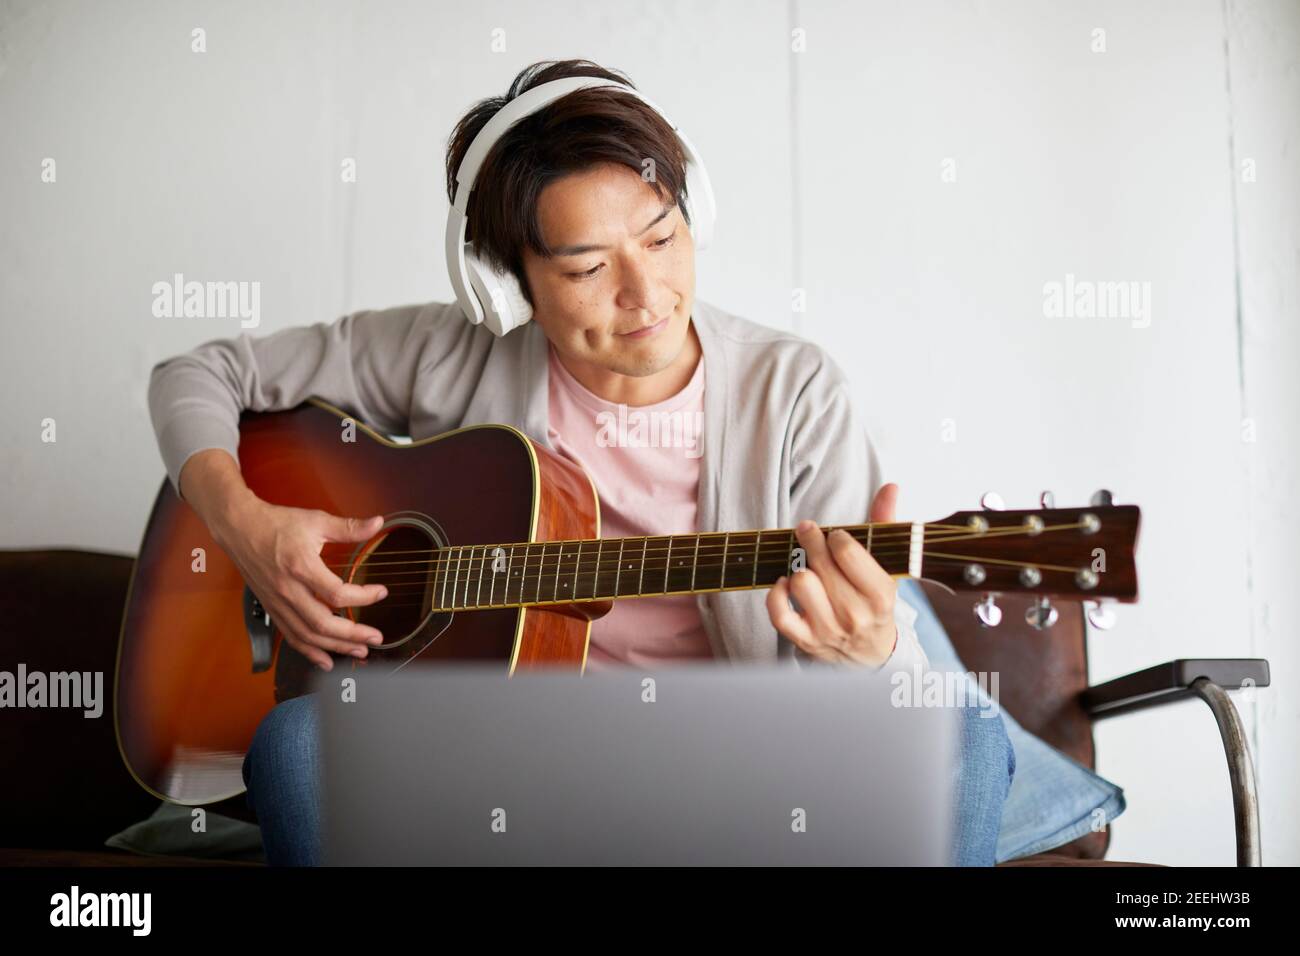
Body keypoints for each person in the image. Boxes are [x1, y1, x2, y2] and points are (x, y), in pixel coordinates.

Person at [147, 58, 1014, 866]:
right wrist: (246, 523)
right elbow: (197, 374)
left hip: (737, 769)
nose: (646, 296)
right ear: (504, 282)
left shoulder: (795, 391)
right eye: (589, 267)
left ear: (693, 212)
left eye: (663, 239)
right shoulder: (446, 353)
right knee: (295, 747)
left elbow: (877, 706)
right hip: (498, 768)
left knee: (966, 743)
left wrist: (869, 653)